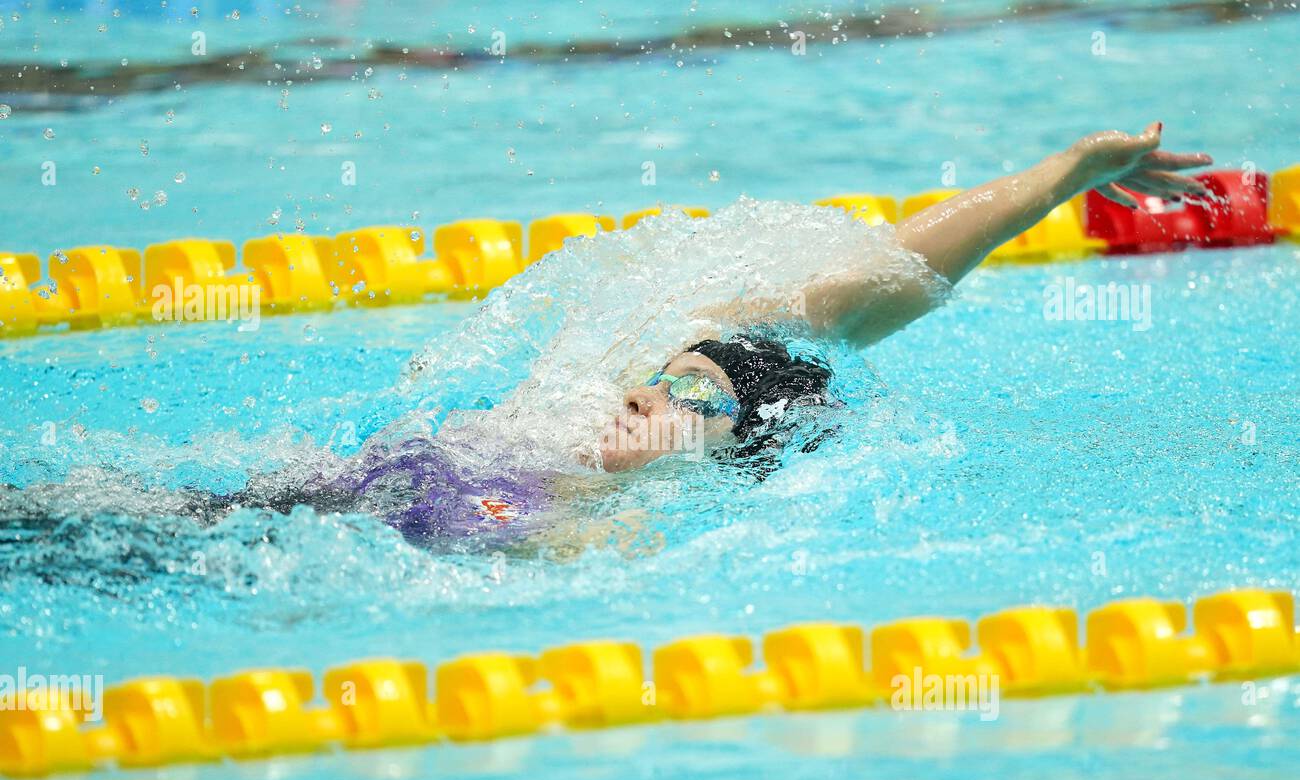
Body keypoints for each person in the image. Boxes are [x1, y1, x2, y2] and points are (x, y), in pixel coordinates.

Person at [227, 123, 1214, 552]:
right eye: (662, 377)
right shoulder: (525, 432)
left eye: (693, 401)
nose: (648, 395)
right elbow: (879, 281)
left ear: (729, 454)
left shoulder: (598, 536)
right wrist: (1062, 175)